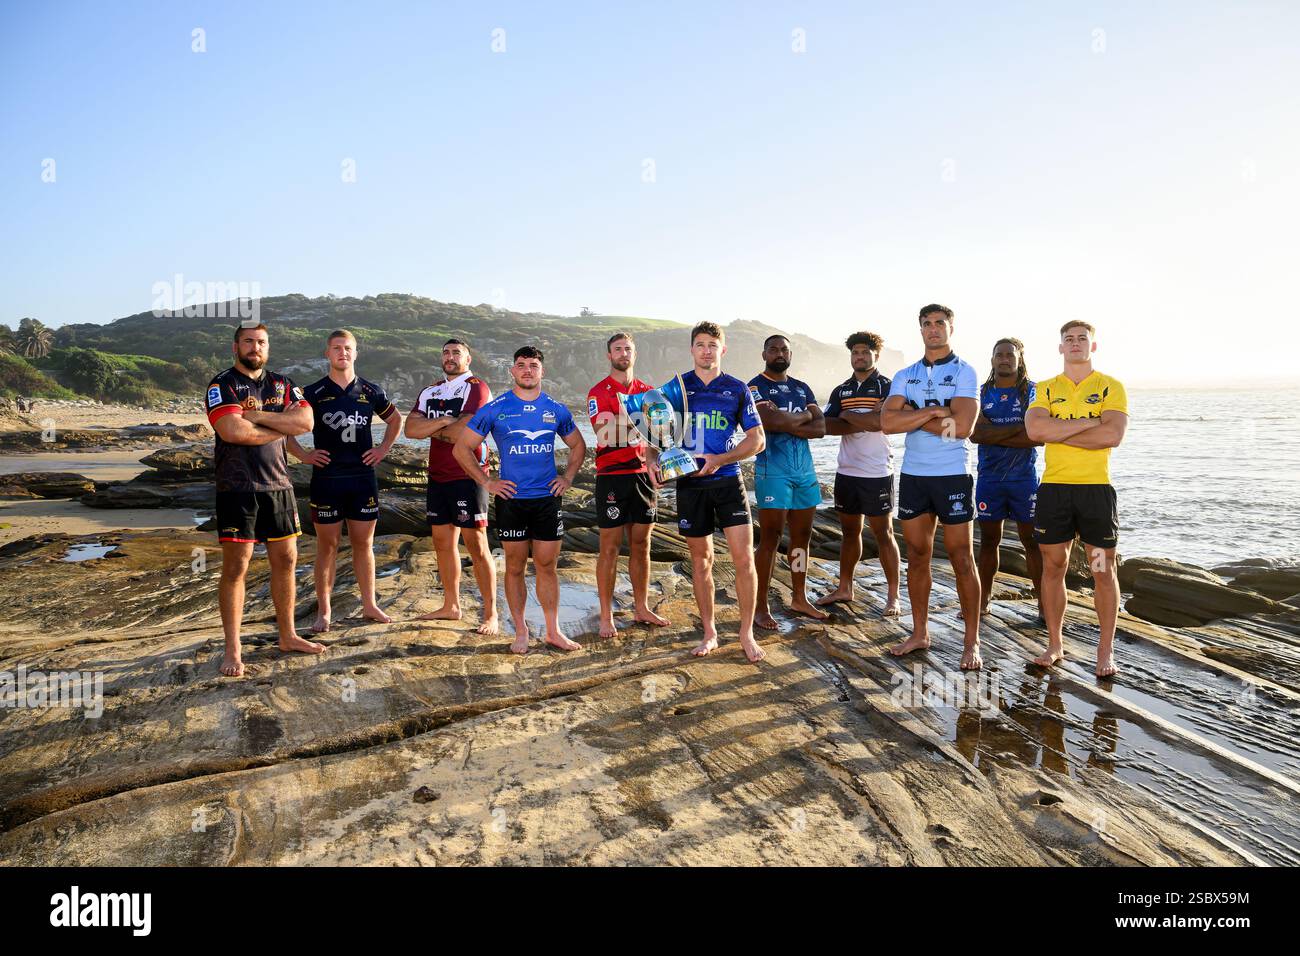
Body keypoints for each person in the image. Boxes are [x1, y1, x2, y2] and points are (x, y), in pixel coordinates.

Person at [622, 321, 767, 663]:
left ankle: (746, 632)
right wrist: (652, 463)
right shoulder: (675, 390)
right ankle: (710, 632)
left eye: (712, 345)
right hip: (690, 486)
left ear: (722, 350)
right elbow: (652, 439)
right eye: (700, 344)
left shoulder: (736, 388)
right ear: (692, 349)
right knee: (701, 561)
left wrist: (722, 459)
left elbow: (757, 440)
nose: (706, 350)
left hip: (728, 481)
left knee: (744, 558)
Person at [205, 322, 325, 677]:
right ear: (235, 347)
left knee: (286, 561)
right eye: (248, 342)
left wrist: (256, 416)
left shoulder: (283, 384)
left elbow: (305, 422)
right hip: (236, 489)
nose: (255, 347)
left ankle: (287, 635)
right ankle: (233, 648)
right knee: (236, 567)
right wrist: (279, 425)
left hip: (279, 486)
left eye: (261, 342)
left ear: (268, 347)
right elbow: (232, 430)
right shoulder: (222, 384)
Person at [455, 346, 587, 654]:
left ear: (542, 372)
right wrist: (487, 482)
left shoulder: (556, 409)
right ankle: (521, 632)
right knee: (514, 567)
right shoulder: (495, 408)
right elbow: (462, 449)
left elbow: (578, 446)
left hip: (546, 499)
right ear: (513, 371)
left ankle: (553, 631)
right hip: (512, 500)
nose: (527, 370)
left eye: (534, 365)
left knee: (546, 565)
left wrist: (567, 478)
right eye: (522, 365)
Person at [880, 304, 983, 670]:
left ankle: (971, 642)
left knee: (960, 557)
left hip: (952, 475)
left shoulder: (964, 371)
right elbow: (887, 423)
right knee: (918, 554)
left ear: (951, 327)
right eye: (927, 324)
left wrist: (912, 416)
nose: (933, 329)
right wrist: (933, 413)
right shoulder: (905, 374)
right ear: (920, 329)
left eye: (940, 323)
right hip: (914, 477)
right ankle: (920, 631)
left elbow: (963, 427)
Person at [1025, 320, 1129, 677]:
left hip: (1095, 491)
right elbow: (1036, 429)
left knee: (1102, 570)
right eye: (1068, 339)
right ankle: (1055, 644)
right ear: (1060, 347)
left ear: (1092, 346)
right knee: (1054, 568)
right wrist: (1090, 424)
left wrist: (1059, 432)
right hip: (1055, 490)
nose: (1075, 343)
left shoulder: (1110, 386)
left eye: (1082, 339)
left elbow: (1113, 435)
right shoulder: (1046, 388)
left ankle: (1105, 650)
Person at [287, 329, 401, 631]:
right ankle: (324, 611)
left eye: (348, 348)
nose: (343, 353)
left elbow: (395, 419)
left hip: (363, 478)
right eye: (337, 348)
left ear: (356, 353)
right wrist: (304, 455)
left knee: (364, 545)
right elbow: (287, 429)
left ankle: (369, 605)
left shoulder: (371, 391)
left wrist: (383, 449)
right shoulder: (312, 392)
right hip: (327, 479)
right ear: (328, 353)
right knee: (328, 547)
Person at [404, 339, 498, 633]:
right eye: (445, 352)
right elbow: (410, 429)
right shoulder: (430, 390)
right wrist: (447, 420)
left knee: (477, 546)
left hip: (468, 475)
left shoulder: (476, 387)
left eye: (457, 353)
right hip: (438, 476)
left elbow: (466, 432)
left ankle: (490, 613)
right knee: (443, 545)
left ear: (468, 359)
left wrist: (433, 428)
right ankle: (451, 606)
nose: (450, 357)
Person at [587, 332, 670, 638]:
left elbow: (657, 436)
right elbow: (604, 430)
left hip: (641, 477)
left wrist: (652, 460)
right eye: (618, 349)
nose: (623, 353)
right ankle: (606, 615)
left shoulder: (649, 391)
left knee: (642, 545)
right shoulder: (598, 392)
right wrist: (642, 422)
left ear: (635, 354)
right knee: (609, 549)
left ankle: (642, 607)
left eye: (628, 349)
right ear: (609, 355)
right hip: (610, 476)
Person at [817, 331, 902, 616]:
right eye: (855, 352)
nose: (860, 356)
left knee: (884, 534)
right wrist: (867, 419)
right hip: (847, 471)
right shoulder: (842, 390)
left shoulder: (889, 387)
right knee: (849, 532)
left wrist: (851, 417)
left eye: (865, 352)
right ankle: (845, 587)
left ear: (876, 355)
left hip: (877, 471)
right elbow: (828, 425)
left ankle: (893, 597)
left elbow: (884, 424)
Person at [747, 334, 828, 629]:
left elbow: (821, 428)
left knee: (801, 540)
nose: (779, 353)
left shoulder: (801, 387)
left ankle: (799, 597)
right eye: (773, 349)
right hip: (773, 471)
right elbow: (771, 423)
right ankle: (760, 606)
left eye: (784, 349)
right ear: (764, 353)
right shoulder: (754, 387)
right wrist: (804, 416)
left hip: (804, 472)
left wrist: (796, 419)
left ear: (790, 354)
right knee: (769, 540)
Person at [971, 337, 1043, 619]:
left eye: (1009, 355)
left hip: (1024, 479)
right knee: (989, 541)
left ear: (1019, 359)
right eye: (998, 354)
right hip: (990, 479)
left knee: (1032, 542)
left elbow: (1036, 436)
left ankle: (1042, 604)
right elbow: (975, 434)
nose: (1004, 359)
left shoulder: (1033, 392)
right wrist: (1019, 428)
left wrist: (994, 432)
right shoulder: (980, 393)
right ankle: (983, 601)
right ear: (992, 359)